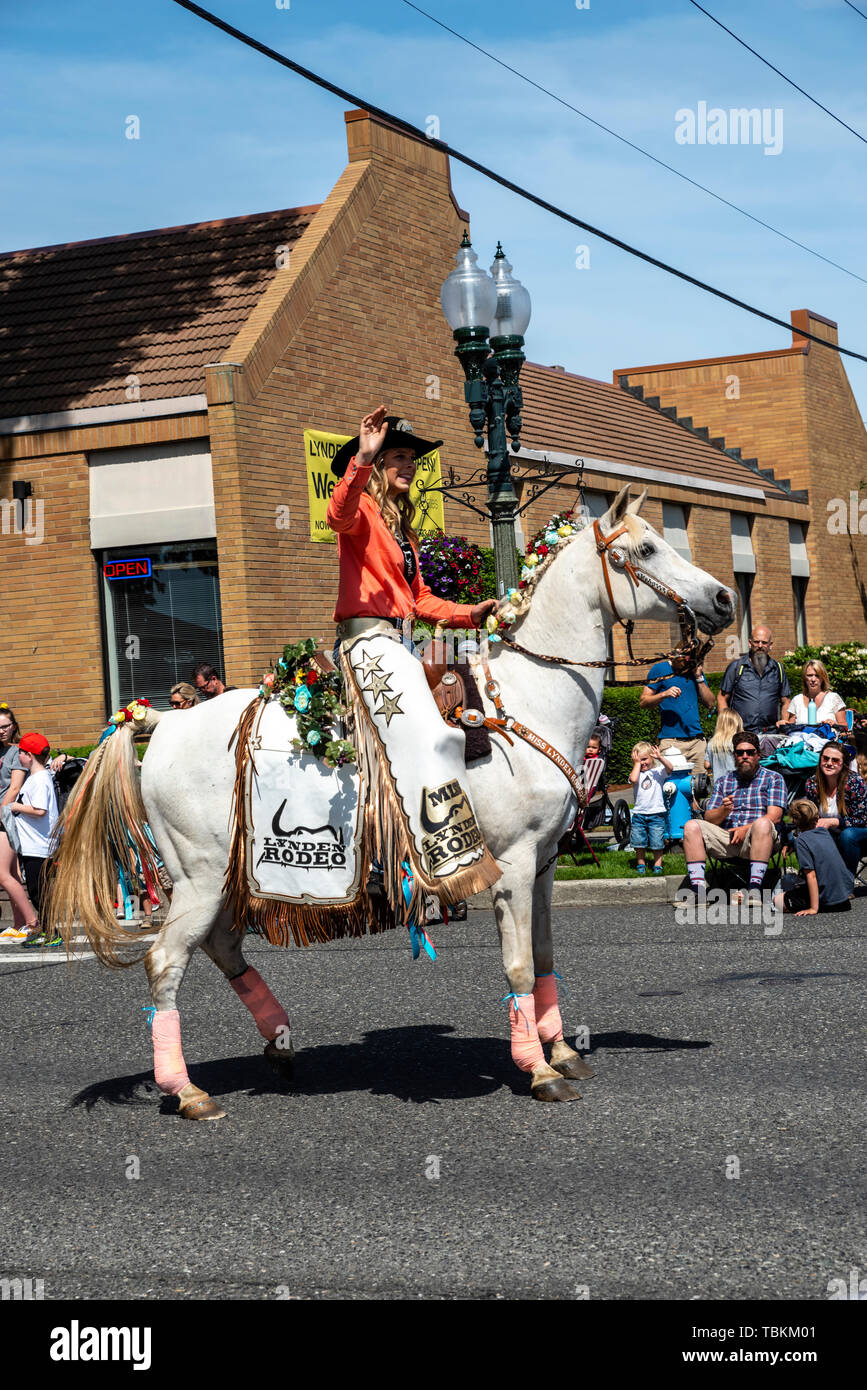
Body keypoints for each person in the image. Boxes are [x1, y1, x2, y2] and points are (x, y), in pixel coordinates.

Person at [326, 406, 501, 911]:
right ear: (378, 467)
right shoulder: (361, 514)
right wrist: (362, 455)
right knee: (429, 732)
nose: (410, 466)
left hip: (401, 642)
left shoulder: (404, 531)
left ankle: (440, 848)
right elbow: (337, 513)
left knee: (466, 692)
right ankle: (389, 859)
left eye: (411, 460)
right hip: (367, 642)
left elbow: (421, 600)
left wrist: (473, 611)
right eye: (398, 458)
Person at [682, 731, 787, 894]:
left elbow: (775, 816)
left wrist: (744, 830)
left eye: (750, 752)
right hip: (727, 840)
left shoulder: (773, 778)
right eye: (740, 753)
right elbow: (709, 818)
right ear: (734, 756)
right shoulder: (724, 781)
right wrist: (724, 810)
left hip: (759, 839)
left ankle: (754, 889)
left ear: (758, 755)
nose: (745, 756)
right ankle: (697, 890)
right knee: (691, 826)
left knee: (763, 823)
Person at [11, 733, 60, 948]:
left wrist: (14, 806)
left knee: (39, 892)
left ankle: (52, 933)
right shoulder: (38, 777)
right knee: (38, 891)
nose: (19, 755)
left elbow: (40, 810)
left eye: (21, 752)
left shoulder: (40, 779)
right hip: (35, 845)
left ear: (29, 756)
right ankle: (48, 930)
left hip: (39, 847)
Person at [773, 800, 853, 916]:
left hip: (827, 900)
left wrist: (813, 908)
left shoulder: (801, 841)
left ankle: (814, 904)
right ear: (817, 816)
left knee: (777, 901)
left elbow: (811, 875)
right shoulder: (825, 832)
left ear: (794, 822)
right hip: (843, 898)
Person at [640, 651, 715, 772]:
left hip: (697, 743)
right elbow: (643, 701)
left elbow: (710, 703)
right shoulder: (660, 669)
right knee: (672, 787)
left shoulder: (694, 671)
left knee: (699, 787)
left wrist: (699, 677)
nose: (690, 661)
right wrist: (664, 694)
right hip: (671, 742)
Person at [0, 705, 37, 939]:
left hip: (6, 816)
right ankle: (19, 922)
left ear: (13, 726)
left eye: (5, 726)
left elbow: (14, 786)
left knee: (2, 873)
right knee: (11, 873)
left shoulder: (17, 751)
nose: (1, 731)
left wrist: (1, 810)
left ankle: (32, 922)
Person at [803, 740, 867, 873]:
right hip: (830, 834)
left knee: (848, 835)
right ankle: (817, 882)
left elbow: (862, 819)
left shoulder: (854, 782)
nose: (829, 763)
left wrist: (834, 822)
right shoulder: (812, 783)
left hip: (859, 833)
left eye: (835, 760)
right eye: (825, 758)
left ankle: (846, 882)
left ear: (843, 764)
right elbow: (810, 817)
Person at [717, 625, 791, 733]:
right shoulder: (736, 667)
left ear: (771, 645)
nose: (760, 646)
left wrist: (784, 722)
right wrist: (727, 727)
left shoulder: (778, 669)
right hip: (741, 733)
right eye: (756, 642)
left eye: (764, 642)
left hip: (770, 733)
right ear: (750, 643)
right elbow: (722, 698)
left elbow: (786, 701)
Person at [628, 742, 675, 875]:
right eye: (638, 760)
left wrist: (660, 758)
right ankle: (641, 864)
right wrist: (636, 764)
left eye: (644, 759)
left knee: (657, 842)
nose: (642, 763)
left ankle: (657, 864)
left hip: (657, 814)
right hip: (639, 814)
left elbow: (670, 768)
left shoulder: (658, 772)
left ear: (652, 758)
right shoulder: (636, 772)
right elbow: (633, 779)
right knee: (638, 842)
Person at [783, 660, 847, 728]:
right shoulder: (797, 700)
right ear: (805, 678)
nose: (813, 679)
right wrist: (783, 723)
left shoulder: (833, 698)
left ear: (823, 678)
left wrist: (834, 724)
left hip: (826, 737)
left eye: (817, 676)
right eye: (810, 675)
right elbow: (790, 727)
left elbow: (845, 726)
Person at [704, 707, 744, 784]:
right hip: (735, 784)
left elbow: (706, 764)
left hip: (718, 785)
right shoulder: (737, 742)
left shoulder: (712, 743)